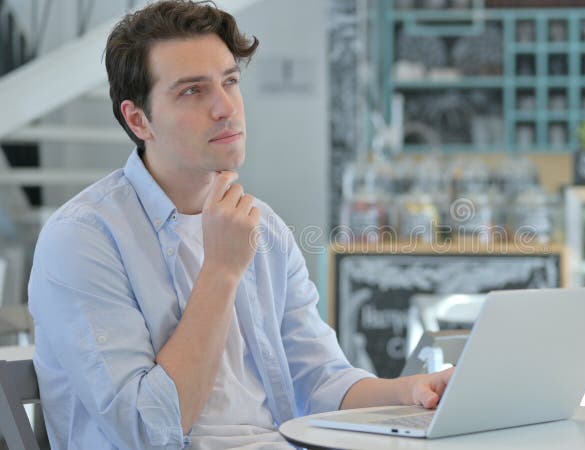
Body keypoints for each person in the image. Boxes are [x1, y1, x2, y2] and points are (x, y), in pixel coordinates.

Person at [27, 1, 453, 448]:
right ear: (139, 120)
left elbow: (320, 381)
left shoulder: (263, 227)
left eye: (230, 81)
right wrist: (221, 269)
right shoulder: (82, 239)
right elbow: (147, 430)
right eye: (192, 91)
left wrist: (410, 391)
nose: (225, 107)